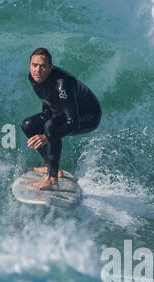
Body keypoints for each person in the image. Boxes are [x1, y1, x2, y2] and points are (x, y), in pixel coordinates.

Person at [22, 47, 100, 190]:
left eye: (43, 66)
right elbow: (47, 100)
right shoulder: (33, 77)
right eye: (34, 65)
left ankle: (52, 179)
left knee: (51, 127)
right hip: (62, 111)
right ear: (29, 64)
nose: (37, 70)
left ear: (50, 67)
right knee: (28, 125)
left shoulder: (62, 84)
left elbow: (73, 122)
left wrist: (47, 137)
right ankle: (50, 166)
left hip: (88, 116)